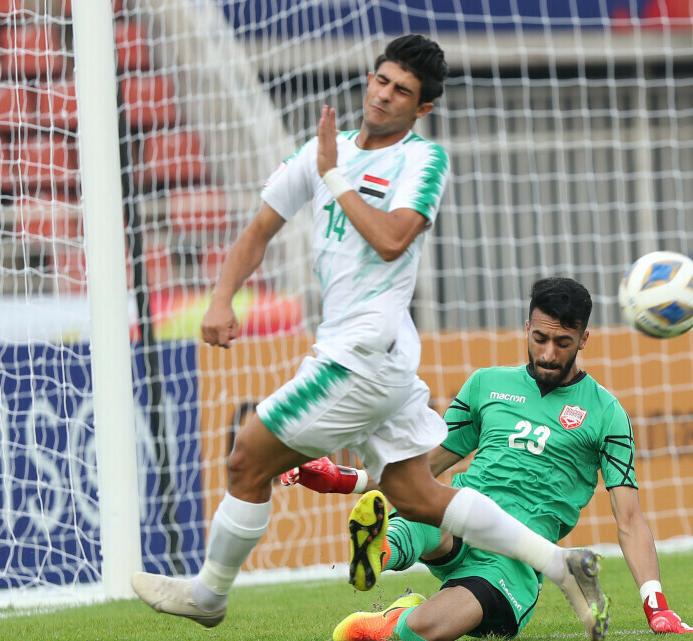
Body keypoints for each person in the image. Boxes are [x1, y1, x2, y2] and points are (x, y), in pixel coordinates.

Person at [130, 35, 609, 641]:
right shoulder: (321, 152)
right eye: (381, 80)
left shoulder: (420, 161)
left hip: (363, 354)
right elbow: (259, 227)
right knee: (416, 494)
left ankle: (208, 595)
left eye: (402, 90)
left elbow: (390, 240)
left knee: (245, 459)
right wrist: (222, 296)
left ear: (422, 108)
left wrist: (334, 176)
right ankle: (556, 562)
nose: (384, 95)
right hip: (371, 355)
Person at [283, 278, 693, 640]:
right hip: (459, 510)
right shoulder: (486, 385)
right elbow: (424, 470)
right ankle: (382, 548)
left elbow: (630, 521)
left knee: (426, 631)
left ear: (584, 338)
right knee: (424, 508)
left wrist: (657, 607)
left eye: (562, 341)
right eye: (539, 338)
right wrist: (345, 479)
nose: (548, 353)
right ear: (527, 328)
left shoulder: (607, 413)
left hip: (514, 557)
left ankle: (396, 620)